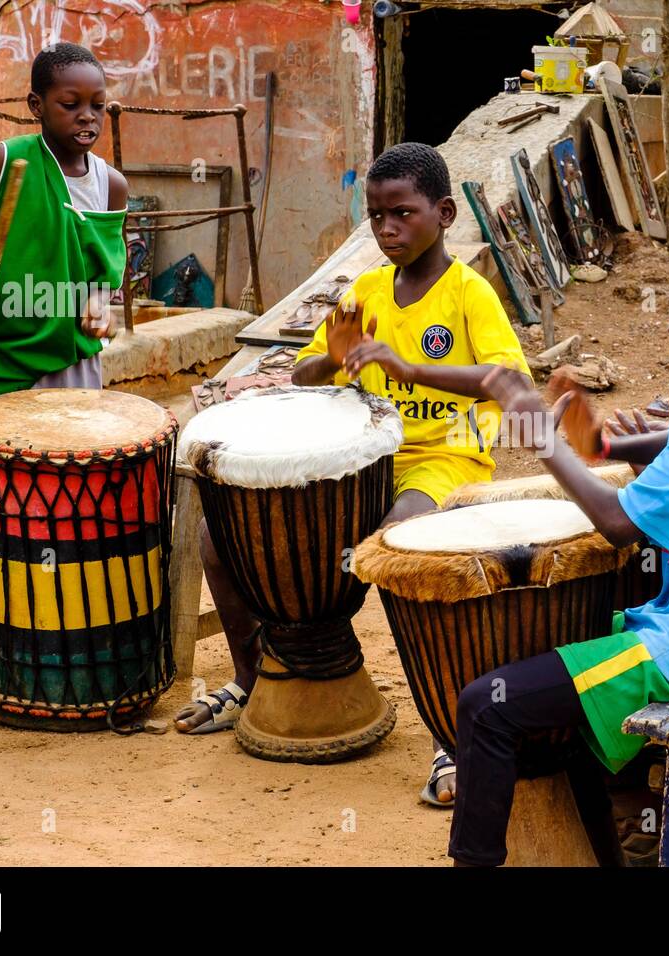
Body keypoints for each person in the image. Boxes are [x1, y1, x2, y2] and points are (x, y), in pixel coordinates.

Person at [175, 142, 538, 810]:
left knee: (404, 546)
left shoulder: (469, 293)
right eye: (376, 216)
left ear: (445, 213)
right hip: (365, 463)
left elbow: (509, 379)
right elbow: (311, 366)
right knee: (222, 543)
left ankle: (449, 735)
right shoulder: (365, 290)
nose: (388, 228)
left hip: (442, 458)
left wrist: (407, 367)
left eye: (403, 213)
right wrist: (330, 358)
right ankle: (253, 683)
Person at [450, 207, 669, 866]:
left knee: (485, 706)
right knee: (557, 715)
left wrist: (544, 440)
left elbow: (621, 526)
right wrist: (606, 442)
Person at [0, 42, 128, 685]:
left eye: (97, 105)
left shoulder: (110, 183)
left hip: (71, 364)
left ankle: (52, 643)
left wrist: (100, 305)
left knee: (68, 502)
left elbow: (107, 275)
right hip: (1, 361)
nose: (87, 117)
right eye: (70, 104)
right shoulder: (7, 162)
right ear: (36, 105)